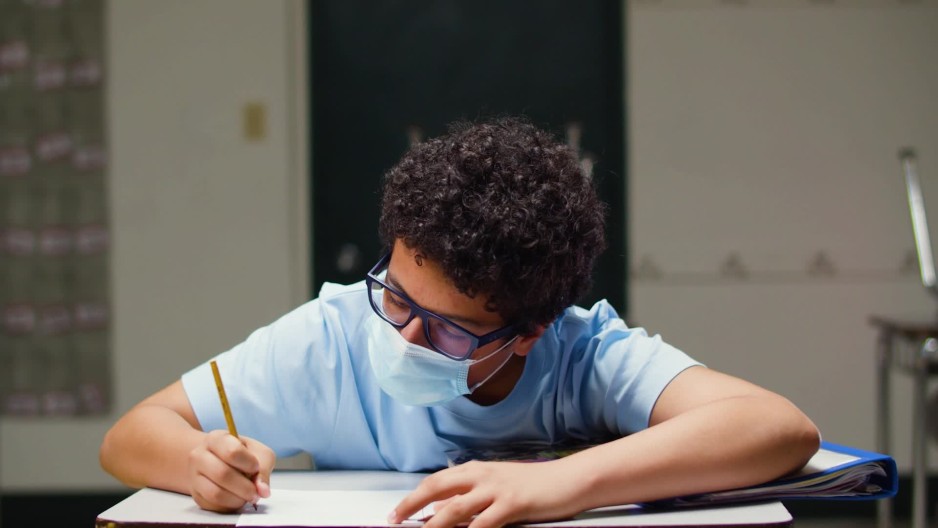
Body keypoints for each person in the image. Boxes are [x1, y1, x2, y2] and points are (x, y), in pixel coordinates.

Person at [100, 117, 820, 528]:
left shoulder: (581, 353)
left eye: (449, 330)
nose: (403, 338)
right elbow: (131, 436)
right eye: (398, 298)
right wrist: (197, 464)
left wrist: (555, 486)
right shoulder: (328, 341)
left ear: (530, 330)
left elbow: (778, 428)